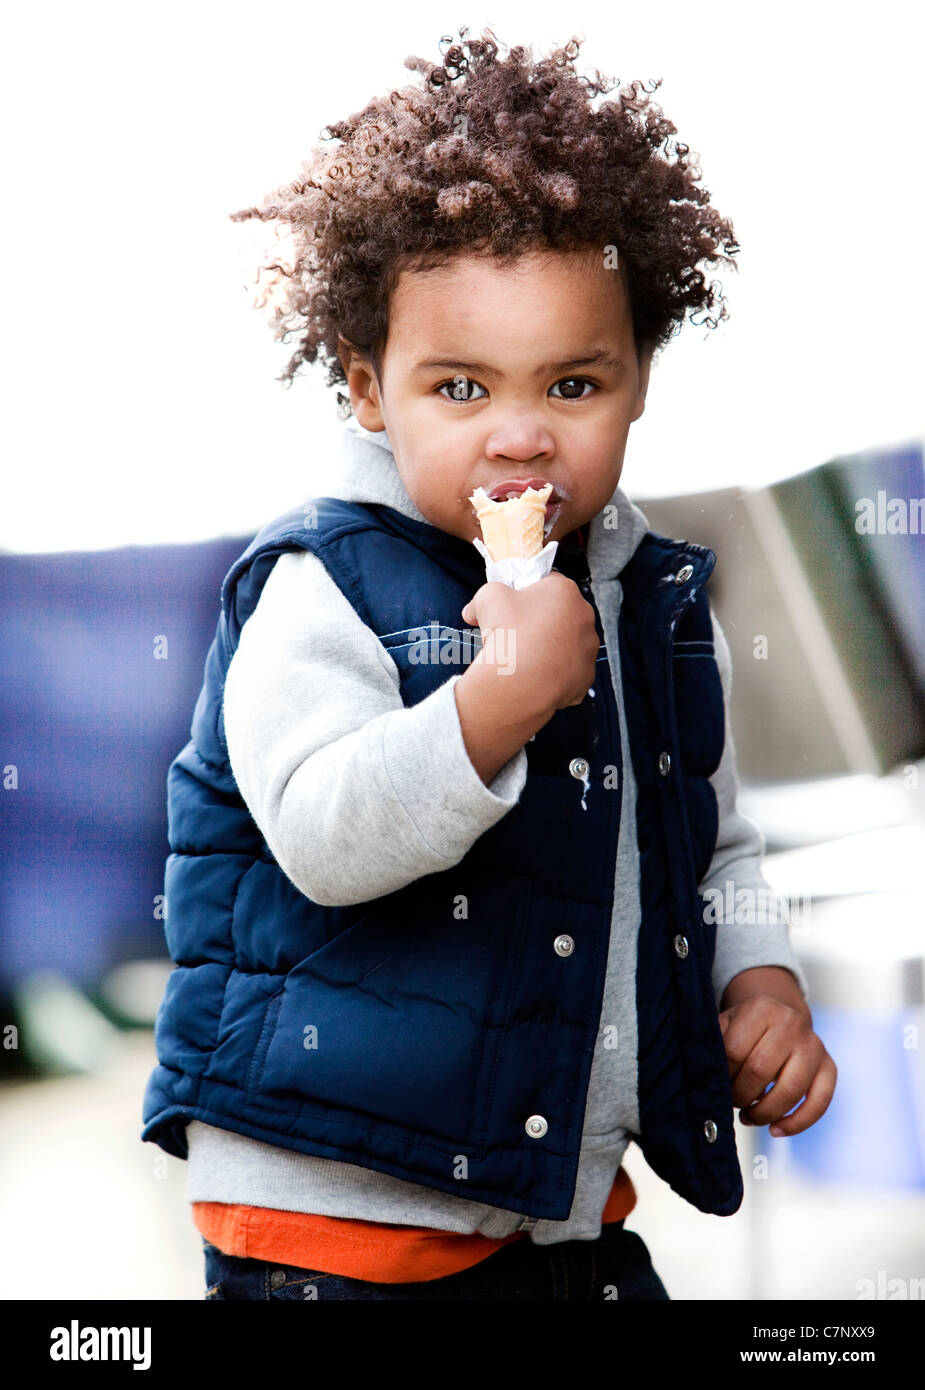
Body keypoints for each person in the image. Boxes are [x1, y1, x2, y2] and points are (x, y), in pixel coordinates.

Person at [141, 27, 837, 1301]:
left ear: (635, 389)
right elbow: (324, 833)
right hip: (335, 1221)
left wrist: (762, 979)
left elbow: (713, 845)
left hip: (554, 1213)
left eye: (572, 383)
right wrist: (493, 704)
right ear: (366, 387)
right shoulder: (319, 584)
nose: (519, 432)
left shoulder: (646, 602)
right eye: (459, 386)